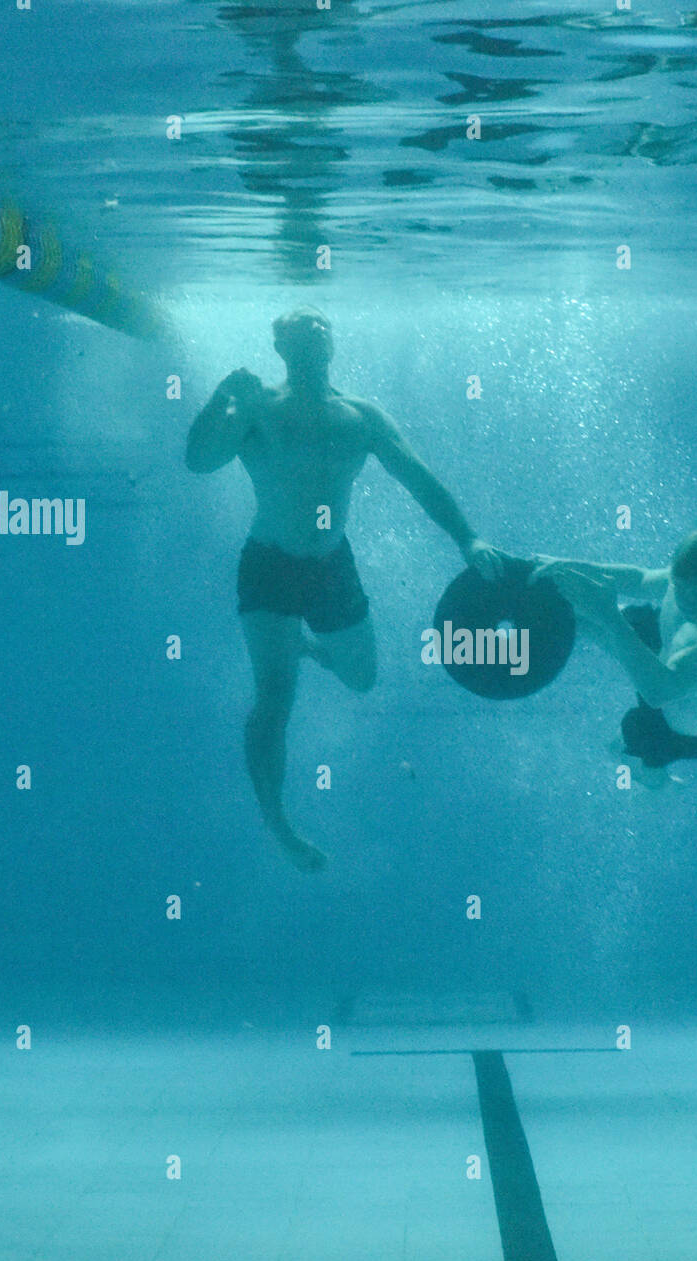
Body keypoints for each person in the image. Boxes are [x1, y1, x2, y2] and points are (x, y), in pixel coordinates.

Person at [186, 308, 502, 870]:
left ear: (333, 340)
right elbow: (199, 462)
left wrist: (469, 539)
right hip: (269, 564)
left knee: (361, 678)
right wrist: (220, 400)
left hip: (332, 565)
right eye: (298, 326)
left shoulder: (362, 416)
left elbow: (420, 480)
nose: (311, 330)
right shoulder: (255, 406)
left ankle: (304, 646)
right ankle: (278, 822)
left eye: (319, 324)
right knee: (275, 697)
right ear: (278, 343)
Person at [531, 529, 697, 788]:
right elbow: (640, 578)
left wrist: (608, 614)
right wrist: (567, 567)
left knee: (634, 745)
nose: (688, 601)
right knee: (579, 613)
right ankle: (518, 632)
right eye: (680, 588)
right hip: (670, 664)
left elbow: (658, 692)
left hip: (681, 731)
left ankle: (660, 783)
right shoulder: (684, 581)